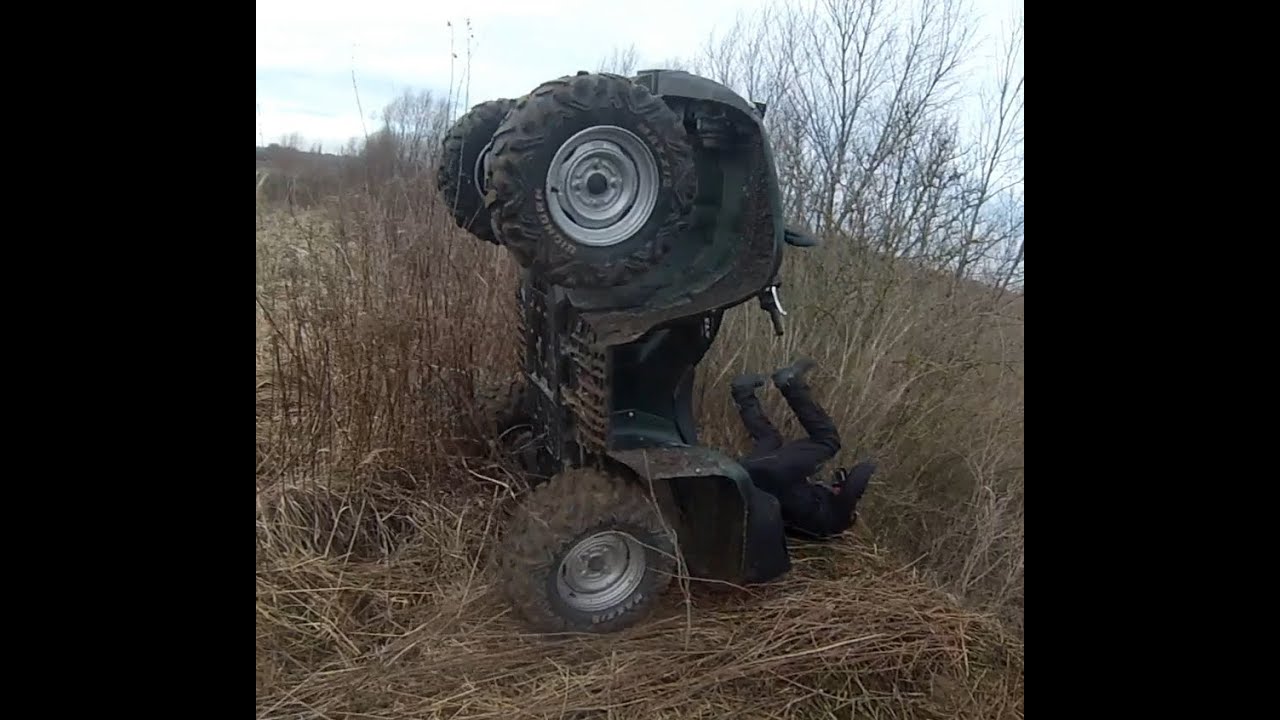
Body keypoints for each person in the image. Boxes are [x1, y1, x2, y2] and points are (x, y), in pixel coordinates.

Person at [731, 358, 875, 539]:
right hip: (752, 476)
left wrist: (869, 466)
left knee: (828, 440)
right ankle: (743, 392)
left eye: (839, 489)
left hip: (770, 475)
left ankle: (791, 383)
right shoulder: (810, 518)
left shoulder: (835, 520)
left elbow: (858, 480)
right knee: (770, 439)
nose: (835, 488)